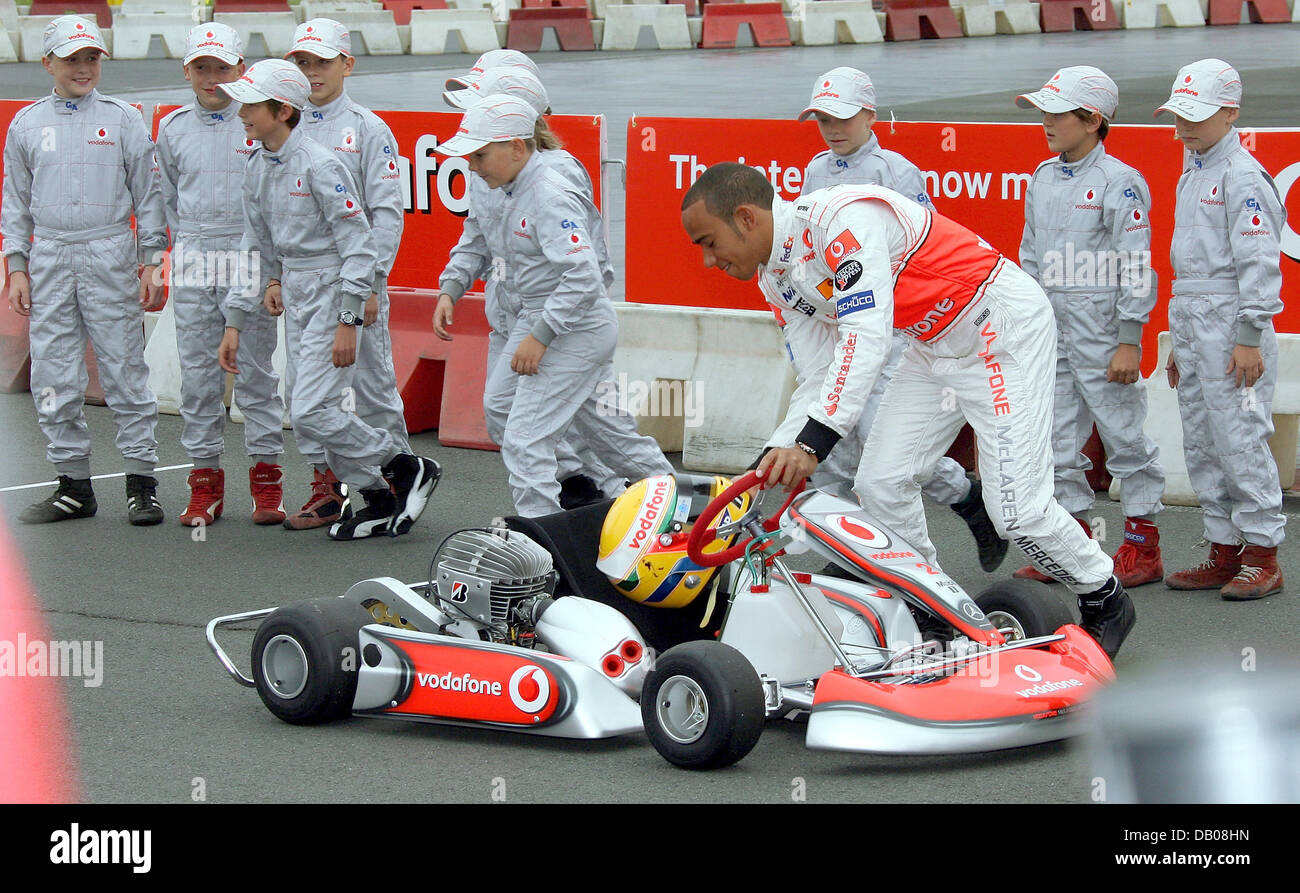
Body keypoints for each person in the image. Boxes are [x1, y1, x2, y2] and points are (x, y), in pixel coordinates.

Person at [681, 162, 1137, 659]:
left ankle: (1104, 599)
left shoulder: (841, 221)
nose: (707, 262)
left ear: (746, 218)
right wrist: (773, 454)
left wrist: (812, 444)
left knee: (1019, 514)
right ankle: (934, 609)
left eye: (707, 242)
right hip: (932, 345)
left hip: (1001, 331)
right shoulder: (776, 281)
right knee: (880, 483)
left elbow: (865, 338)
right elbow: (818, 376)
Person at [761, 66, 1006, 573]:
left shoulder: (898, 171)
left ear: (870, 115)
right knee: (831, 442)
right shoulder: (814, 171)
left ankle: (965, 497)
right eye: (822, 118)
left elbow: (921, 251)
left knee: (879, 439)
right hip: (838, 326)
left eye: (843, 117)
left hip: (890, 329)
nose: (832, 128)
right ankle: (845, 549)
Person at [215, 59, 440, 540]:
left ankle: (402, 465)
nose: (240, 112)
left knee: (312, 406)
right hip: (297, 292)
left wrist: (349, 316)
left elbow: (359, 243)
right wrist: (236, 318)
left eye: (251, 104)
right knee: (309, 407)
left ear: (281, 110)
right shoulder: (257, 165)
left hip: (335, 289)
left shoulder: (321, 164)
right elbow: (256, 247)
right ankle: (377, 495)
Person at [434, 94, 673, 518]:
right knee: (590, 429)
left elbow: (584, 275)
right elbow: (477, 241)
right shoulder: (507, 185)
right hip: (543, 318)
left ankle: (544, 539)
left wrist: (540, 337)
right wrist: (451, 288)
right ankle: (677, 502)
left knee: (527, 438)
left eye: (479, 155)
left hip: (574, 326)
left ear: (517, 148)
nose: (471, 164)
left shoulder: (549, 192)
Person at [3, 16, 167, 526]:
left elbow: (150, 195)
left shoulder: (124, 118)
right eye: (71, 58)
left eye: (91, 58)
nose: (83, 68)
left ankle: (143, 483)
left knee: (124, 369)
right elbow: (14, 203)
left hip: (110, 252)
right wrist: (17, 266)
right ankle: (73, 486)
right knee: (54, 373)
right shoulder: (26, 124)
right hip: (50, 256)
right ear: (48, 62)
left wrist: (152, 261)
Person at [1013, 65, 1166, 587]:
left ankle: (1143, 546)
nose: (1046, 123)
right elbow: (1029, 256)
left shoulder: (1120, 181)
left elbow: (1136, 264)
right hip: (1049, 330)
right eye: (1044, 113)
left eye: (1056, 114)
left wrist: (1129, 339)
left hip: (1103, 333)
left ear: (1092, 119)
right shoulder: (1042, 176)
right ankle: (1072, 547)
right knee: (1053, 439)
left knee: (1124, 438)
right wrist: (1026, 321)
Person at [1156, 59, 1286, 600]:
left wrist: (1251, 334)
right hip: (1194, 322)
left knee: (1240, 438)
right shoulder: (1194, 168)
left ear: (1231, 112)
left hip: (1233, 326)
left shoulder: (1242, 175)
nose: (1184, 125)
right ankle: (1224, 549)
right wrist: (1177, 341)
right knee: (1203, 441)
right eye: (1178, 114)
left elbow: (1258, 261)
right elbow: (1187, 268)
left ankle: (1262, 555)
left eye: (1197, 115)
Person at [281, 18, 412, 530]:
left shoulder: (369, 128)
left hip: (356, 284)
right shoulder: (285, 121)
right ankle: (329, 488)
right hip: (303, 283)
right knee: (308, 389)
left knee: (374, 389)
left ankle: (402, 485)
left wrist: (370, 284)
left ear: (346, 64)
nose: (311, 72)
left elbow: (385, 214)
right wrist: (274, 278)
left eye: (321, 61)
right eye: (302, 62)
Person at [156, 22, 287, 527]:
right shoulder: (171, 127)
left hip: (248, 254)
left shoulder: (256, 121)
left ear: (241, 68)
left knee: (256, 371)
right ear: (188, 71)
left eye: (223, 68)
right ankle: (205, 479)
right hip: (192, 253)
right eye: (202, 68)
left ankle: (267, 478)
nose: (212, 77)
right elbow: (167, 197)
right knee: (197, 375)